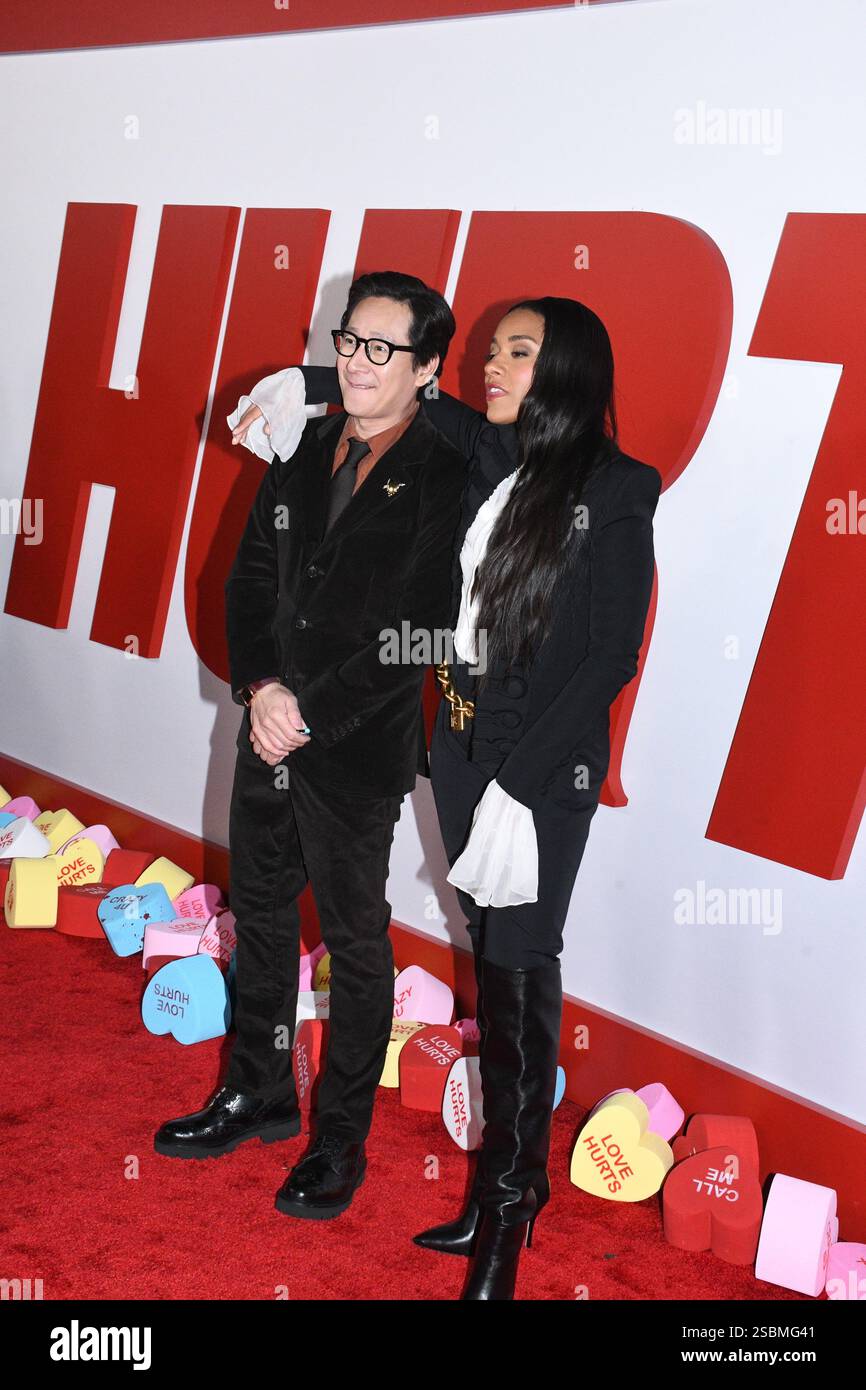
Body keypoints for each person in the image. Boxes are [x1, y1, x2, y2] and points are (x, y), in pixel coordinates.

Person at [230, 295, 662, 1299]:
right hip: (461, 748)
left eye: (516, 353)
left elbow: (610, 653)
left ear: (567, 370)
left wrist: (517, 783)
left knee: (517, 973)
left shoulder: (616, 485)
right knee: (489, 965)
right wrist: (294, 384)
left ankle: (507, 1211)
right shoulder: (487, 452)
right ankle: (503, 1185)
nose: (490, 369)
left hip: (538, 775)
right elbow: (395, 388)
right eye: (490, 352)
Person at [153, 271, 468, 1227]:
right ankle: (257, 1093)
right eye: (349, 340)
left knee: (356, 943)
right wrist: (260, 689)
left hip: (353, 748)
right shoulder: (298, 442)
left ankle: (341, 1140)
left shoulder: (446, 470)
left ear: (426, 369)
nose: (358, 361)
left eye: (382, 348)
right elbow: (246, 574)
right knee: (258, 913)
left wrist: (309, 709)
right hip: (268, 725)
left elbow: (424, 627)